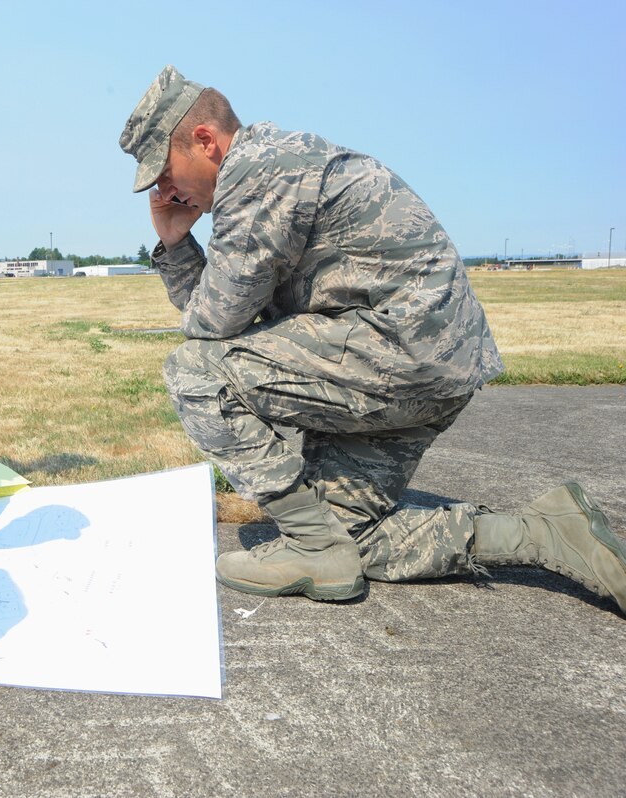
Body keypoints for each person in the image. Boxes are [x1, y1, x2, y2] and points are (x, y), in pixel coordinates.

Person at [119, 66, 626, 614]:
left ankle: (311, 547)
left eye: (164, 173)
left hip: (398, 350)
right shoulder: (274, 165)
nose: (165, 192)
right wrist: (176, 242)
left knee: (194, 371)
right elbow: (231, 319)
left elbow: (213, 326)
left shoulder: (257, 171)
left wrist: (175, 248)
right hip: (419, 363)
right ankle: (546, 533)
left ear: (205, 141)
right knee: (349, 542)